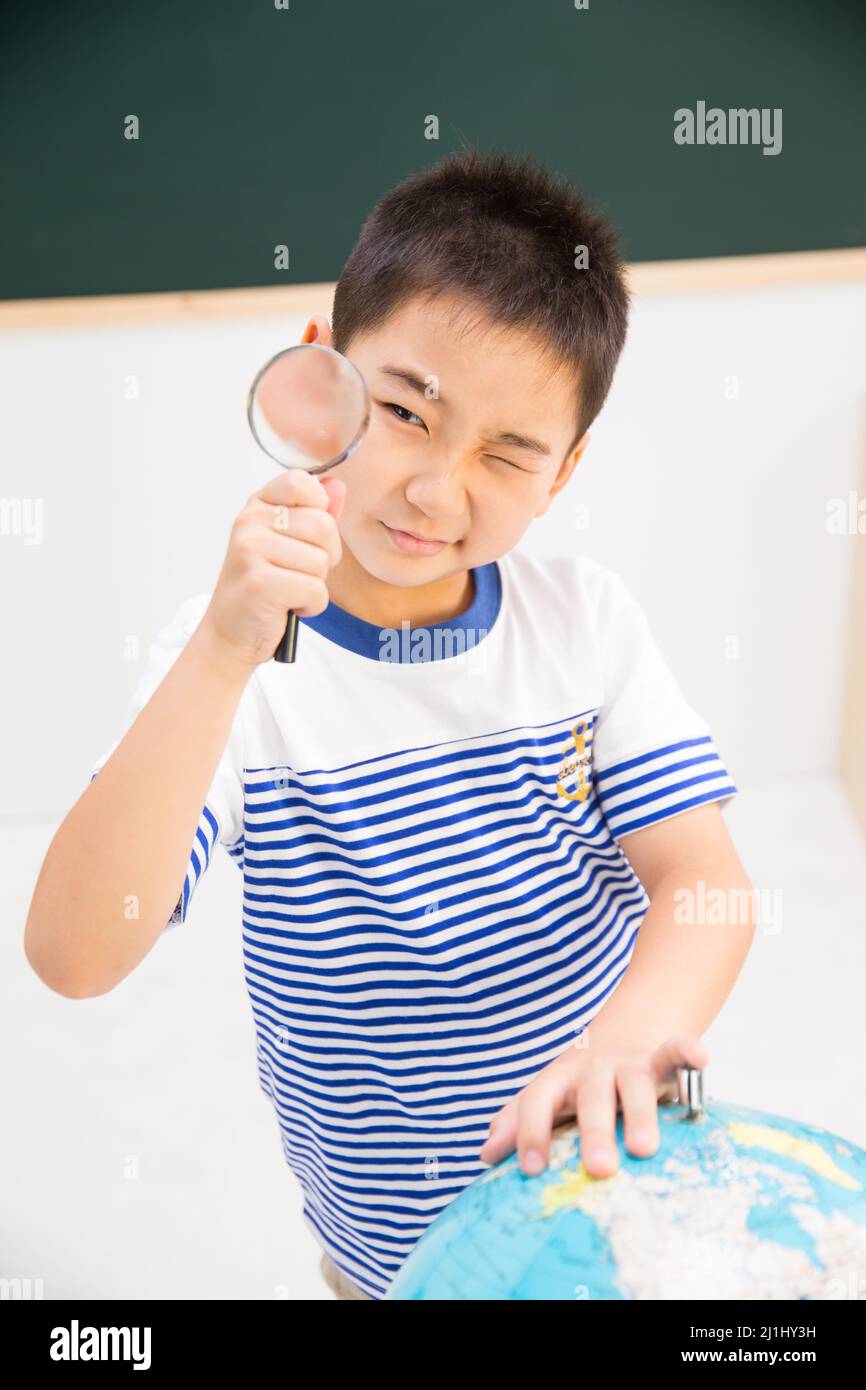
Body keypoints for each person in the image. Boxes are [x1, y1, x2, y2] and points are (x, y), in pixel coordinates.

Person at [24, 149, 753, 1301]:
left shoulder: (585, 625)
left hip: (603, 1207)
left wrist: (630, 1034)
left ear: (561, 474)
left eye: (506, 454)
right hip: (391, 1260)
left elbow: (704, 882)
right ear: (319, 381)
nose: (435, 490)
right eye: (407, 412)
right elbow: (73, 953)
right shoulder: (230, 663)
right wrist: (223, 652)